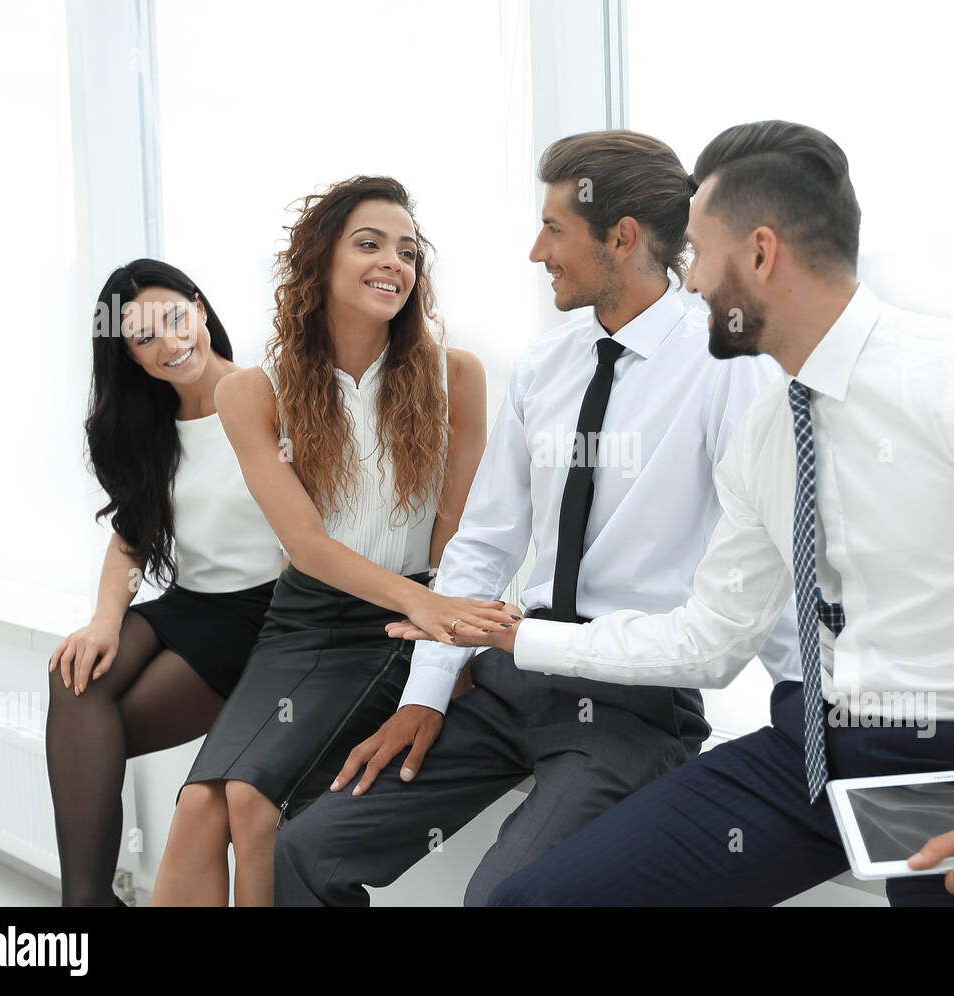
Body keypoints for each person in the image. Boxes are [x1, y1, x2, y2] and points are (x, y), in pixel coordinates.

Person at [429, 121, 954, 907]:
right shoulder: (766, 430)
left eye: (700, 254)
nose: (691, 283)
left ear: (760, 253)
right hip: (808, 751)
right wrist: (515, 635)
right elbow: (710, 639)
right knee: (534, 899)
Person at [271, 131, 801, 907]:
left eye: (554, 229)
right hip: (510, 678)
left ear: (622, 237)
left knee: (505, 899)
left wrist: (814, 713)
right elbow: (486, 542)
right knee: (305, 848)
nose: (536, 251)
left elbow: (778, 557)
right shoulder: (546, 365)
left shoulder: (730, 369)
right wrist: (426, 692)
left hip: (630, 701)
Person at [150, 176, 505, 906]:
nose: (393, 263)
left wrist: (445, 644)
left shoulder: (455, 376)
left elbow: (458, 532)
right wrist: (429, 606)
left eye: (408, 251)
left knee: (251, 803)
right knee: (199, 807)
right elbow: (305, 544)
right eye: (369, 244)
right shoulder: (251, 391)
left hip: (396, 625)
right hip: (304, 619)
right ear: (320, 261)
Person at [47, 259, 286, 907]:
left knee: (92, 741)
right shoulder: (149, 424)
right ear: (128, 355)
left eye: (176, 319)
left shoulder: (273, 397)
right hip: (185, 602)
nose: (170, 344)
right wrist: (103, 621)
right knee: (73, 677)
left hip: (261, 615)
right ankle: (87, 902)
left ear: (200, 308)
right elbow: (131, 534)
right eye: (144, 338)